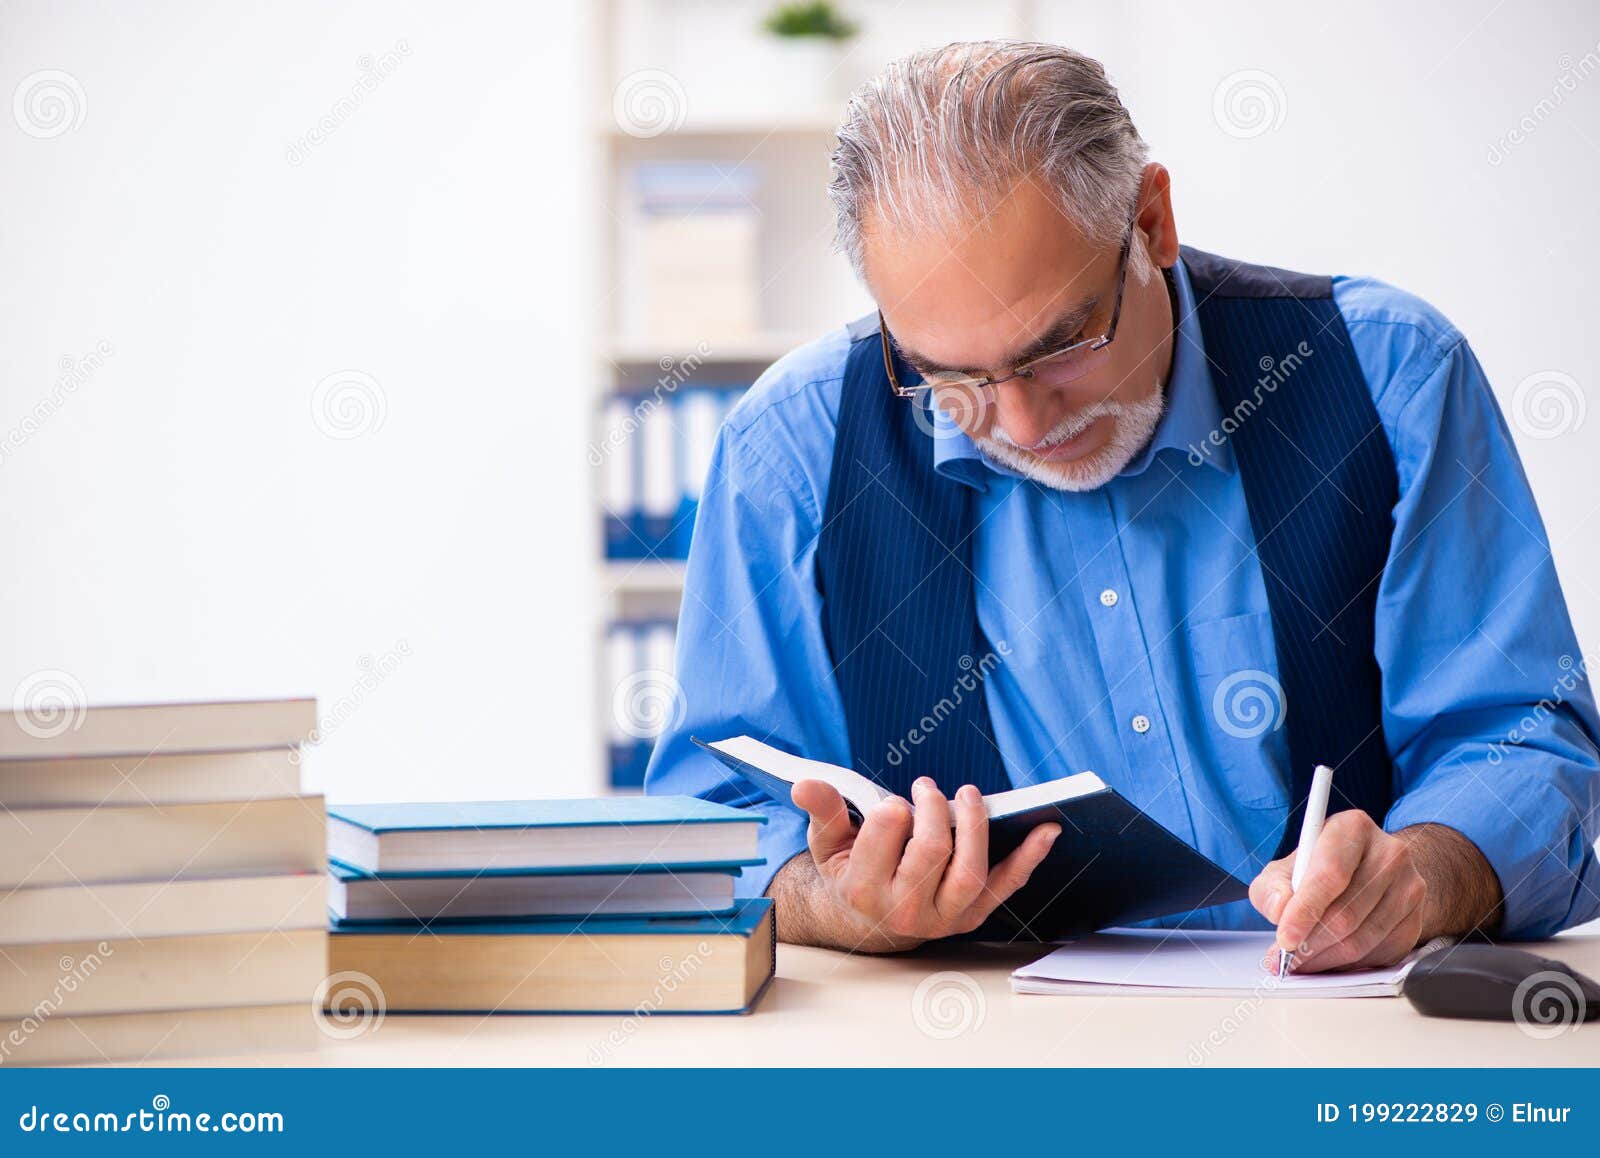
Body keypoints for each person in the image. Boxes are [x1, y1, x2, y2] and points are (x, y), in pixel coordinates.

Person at [644, 41, 1600, 970]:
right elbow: (714, 826)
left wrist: (1426, 876)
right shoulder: (792, 445)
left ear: (1151, 222)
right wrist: (841, 906)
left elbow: (1521, 739)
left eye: (1061, 346)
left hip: (1340, 1038)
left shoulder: (1390, 373)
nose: (1022, 422)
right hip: (976, 1051)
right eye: (948, 375)